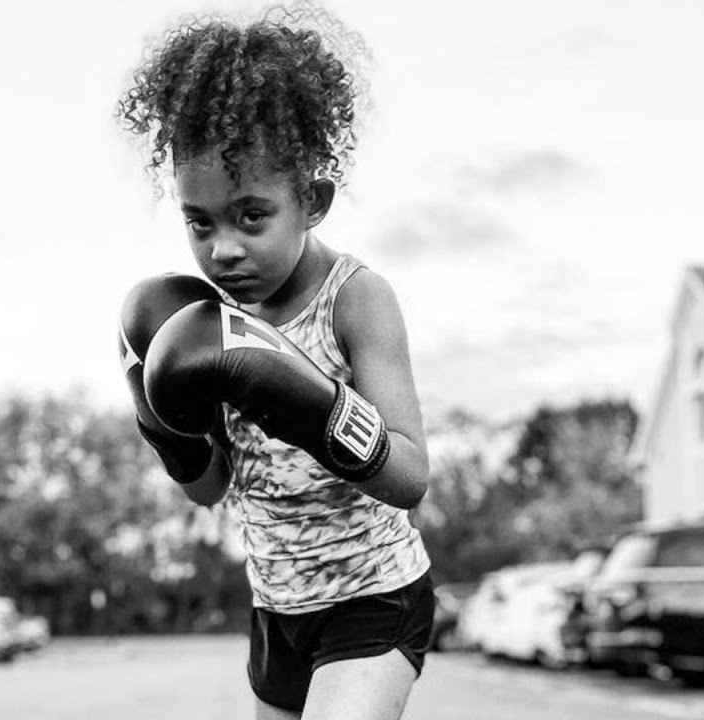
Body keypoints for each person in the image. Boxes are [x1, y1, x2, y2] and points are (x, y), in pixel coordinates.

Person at [118, 6, 433, 719]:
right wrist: (157, 414)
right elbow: (212, 490)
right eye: (200, 221)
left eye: (251, 216)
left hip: (374, 597)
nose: (223, 248)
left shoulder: (354, 300)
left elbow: (412, 477)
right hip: (277, 610)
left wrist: (311, 404)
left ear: (312, 200)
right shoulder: (205, 322)